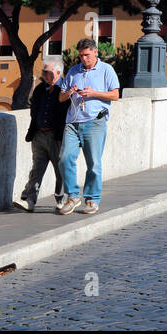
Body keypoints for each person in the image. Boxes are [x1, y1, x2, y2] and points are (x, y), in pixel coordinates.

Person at [56, 38, 120, 215]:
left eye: (87, 55)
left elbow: (115, 95)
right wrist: (69, 92)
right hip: (73, 122)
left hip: (95, 122)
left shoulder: (106, 70)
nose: (84, 59)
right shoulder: (73, 71)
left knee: (93, 163)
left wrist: (93, 93)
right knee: (64, 158)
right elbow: (61, 97)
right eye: (81, 55)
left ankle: (92, 199)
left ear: (95, 52)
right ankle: (73, 196)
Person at [13, 61, 70, 212]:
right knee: (37, 168)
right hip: (39, 134)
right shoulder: (40, 89)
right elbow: (34, 110)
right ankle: (29, 199)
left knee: (60, 169)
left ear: (58, 73)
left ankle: (62, 199)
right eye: (44, 72)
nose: (44, 75)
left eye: (48, 72)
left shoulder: (64, 90)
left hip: (56, 136)